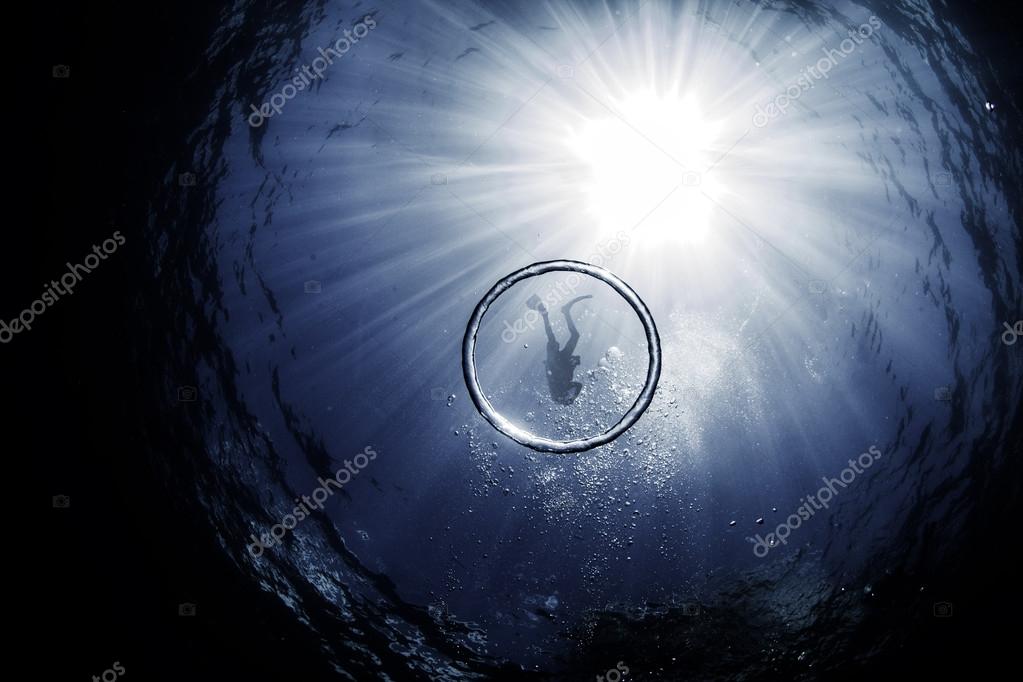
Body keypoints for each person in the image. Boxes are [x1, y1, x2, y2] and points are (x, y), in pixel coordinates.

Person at [533, 294, 592, 404]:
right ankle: (566, 311)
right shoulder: (567, 387)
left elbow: (555, 391)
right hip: (563, 362)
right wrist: (572, 397)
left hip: (554, 363)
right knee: (575, 336)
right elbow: (579, 385)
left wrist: (566, 398)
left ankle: (545, 315)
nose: (567, 395)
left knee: (552, 340)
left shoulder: (557, 394)